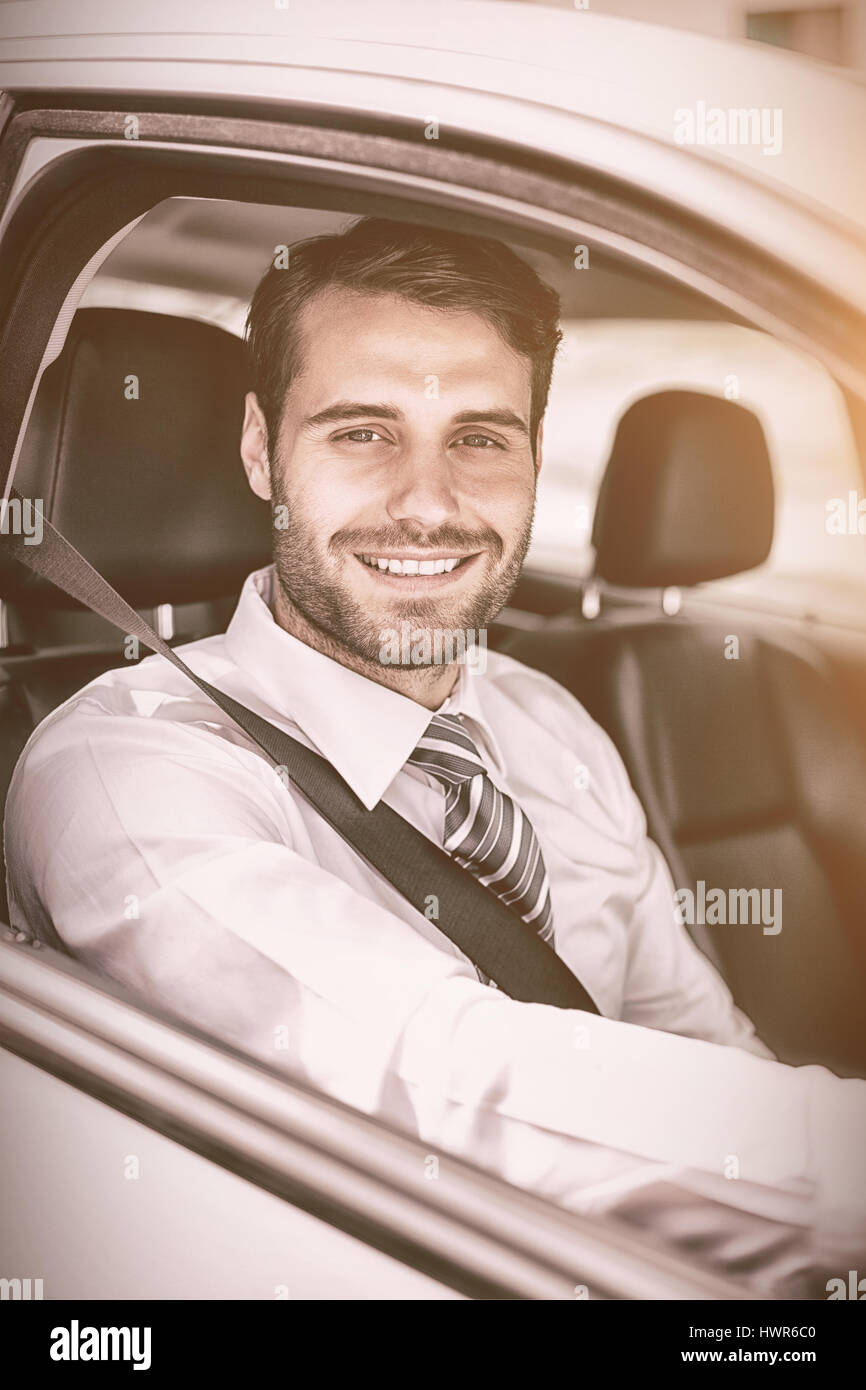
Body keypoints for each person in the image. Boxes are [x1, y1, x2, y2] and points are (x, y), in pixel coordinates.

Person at [5, 218, 865, 1280]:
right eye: (361, 433)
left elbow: (691, 1040)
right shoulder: (128, 770)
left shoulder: (545, 721)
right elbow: (442, 1075)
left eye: (479, 437)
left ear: (536, 459)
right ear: (258, 449)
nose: (427, 504)